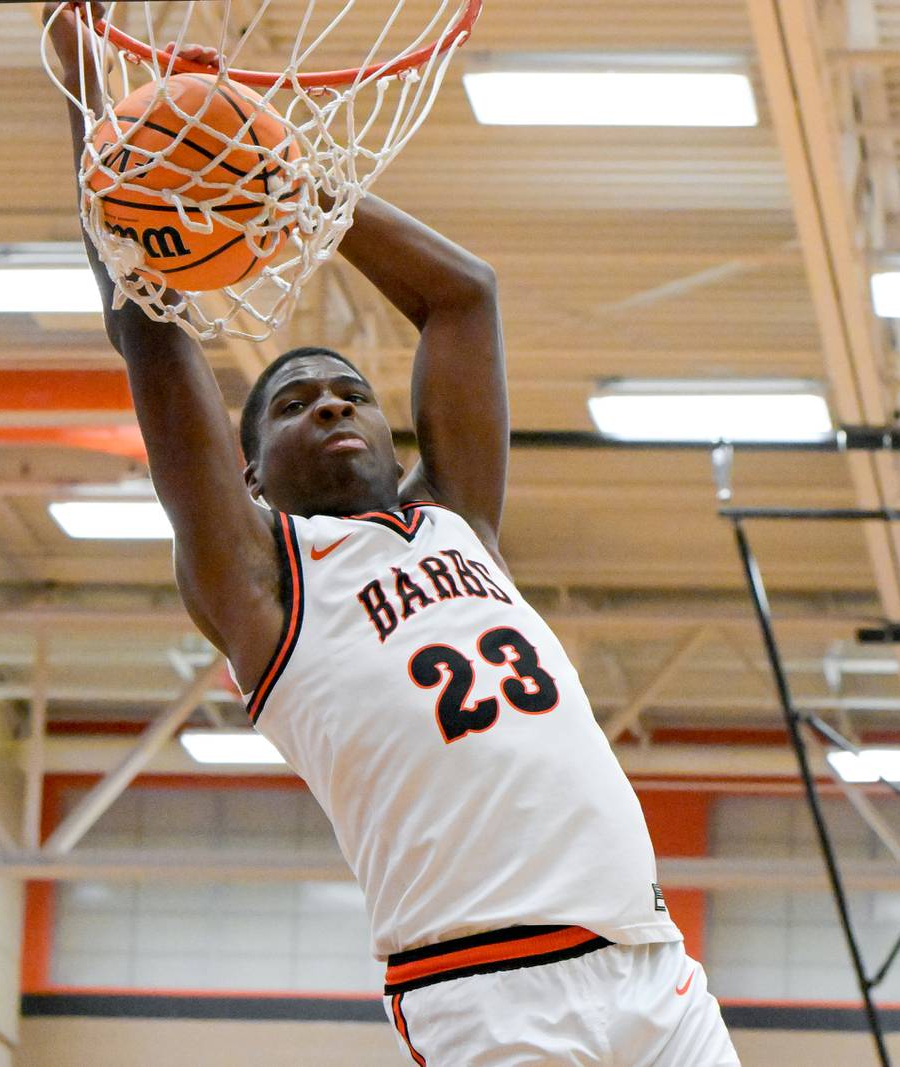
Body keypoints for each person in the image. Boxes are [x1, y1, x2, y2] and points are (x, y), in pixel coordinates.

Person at [47, 7, 739, 1064]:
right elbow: (148, 329)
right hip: (485, 987)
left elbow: (464, 295)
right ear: (248, 473)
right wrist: (96, 109)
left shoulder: (463, 521)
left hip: (652, 965)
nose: (331, 406)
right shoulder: (262, 582)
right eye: (293, 403)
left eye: (350, 393)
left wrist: (298, 184)